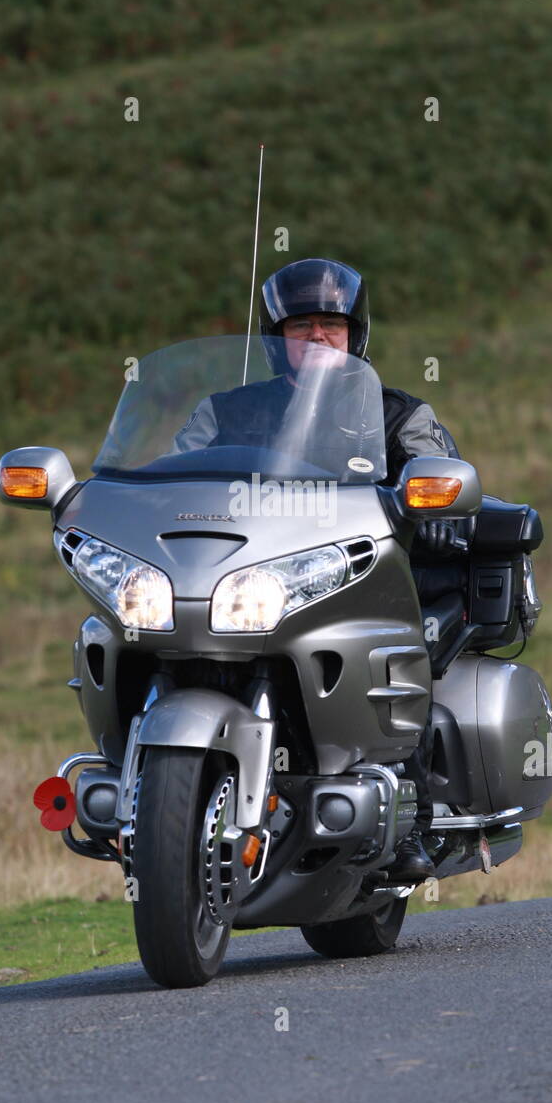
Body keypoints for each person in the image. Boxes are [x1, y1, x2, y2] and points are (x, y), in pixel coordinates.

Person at [174, 258, 469, 884]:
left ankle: (411, 820)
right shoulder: (224, 414)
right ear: (275, 340)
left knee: (393, 654)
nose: (315, 337)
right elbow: (173, 480)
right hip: (248, 583)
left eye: (330, 325)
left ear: (355, 333)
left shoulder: (397, 415)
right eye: (299, 325)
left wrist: (437, 506)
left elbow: (436, 464)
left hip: (354, 579)